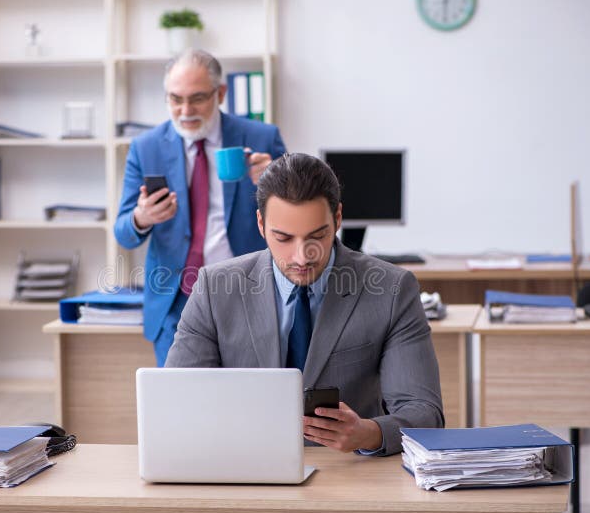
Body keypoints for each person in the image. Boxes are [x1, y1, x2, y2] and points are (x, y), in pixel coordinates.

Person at [165, 153, 444, 456]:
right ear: (261, 224)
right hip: (241, 468)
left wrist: (369, 433)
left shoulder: (392, 290)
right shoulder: (213, 288)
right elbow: (177, 402)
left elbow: (425, 413)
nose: (301, 257)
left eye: (317, 235)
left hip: (348, 477)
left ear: (337, 218)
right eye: (283, 238)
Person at [115, 49, 287, 367]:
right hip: (176, 301)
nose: (185, 110)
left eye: (196, 98)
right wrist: (142, 217)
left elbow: (294, 221)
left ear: (220, 93)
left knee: (248, 403)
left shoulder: (261, 137)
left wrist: (277, 183)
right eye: (175, 99)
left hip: (249, 296)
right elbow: (124, 234)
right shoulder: (145, 147)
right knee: (180, 407)